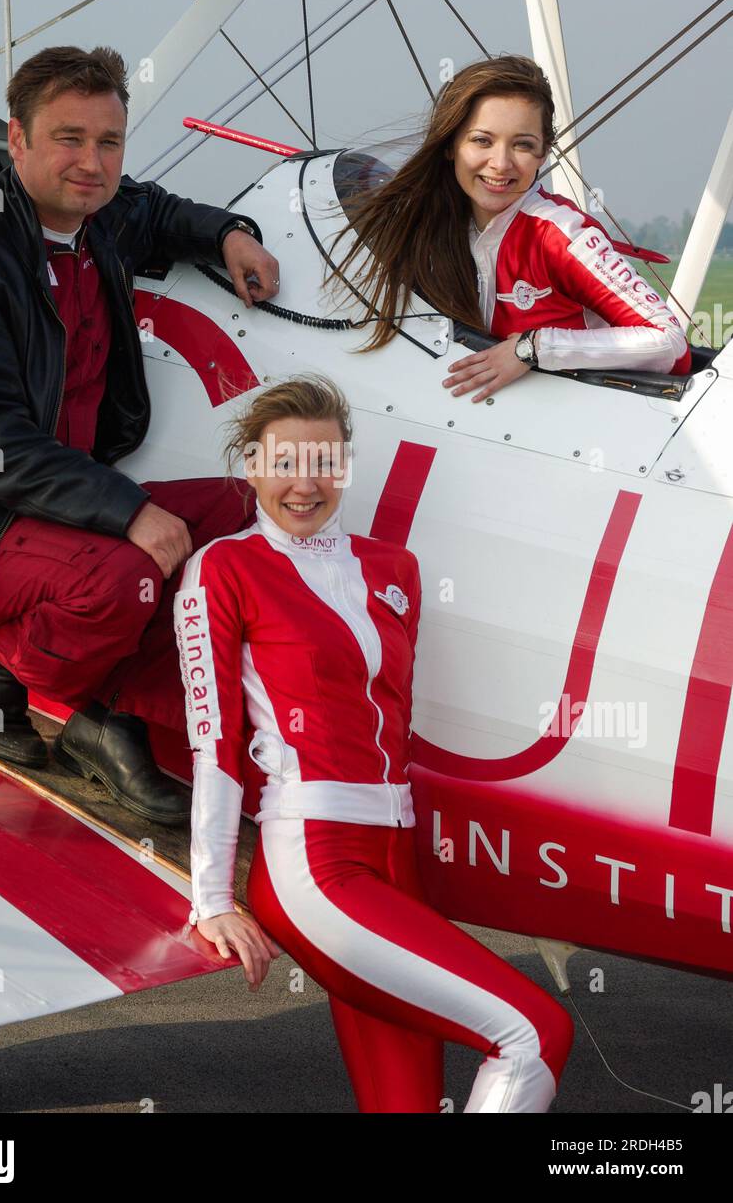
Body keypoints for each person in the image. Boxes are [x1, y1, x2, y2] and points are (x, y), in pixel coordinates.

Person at [0, 44, 279, 823]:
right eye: (68, 139)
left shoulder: (98, 211)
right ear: (16, 141)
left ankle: (104, 714)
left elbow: (154, 211)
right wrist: (127, 510)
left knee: (237, 511)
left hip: (44, 495)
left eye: (108, 141)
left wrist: (228, 234)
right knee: (123, 578)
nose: (91, 163)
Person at [172, 374, 574, 1112]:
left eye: (324, 462)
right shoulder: (223, 568)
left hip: (398, 855)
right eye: (285, 463)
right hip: (314, 863)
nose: (305, 483)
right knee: (532, 1032)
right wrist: (211, 897)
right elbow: (216, 741)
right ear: (252, 468)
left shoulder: (395, 570)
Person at [330, 55, 690, 402]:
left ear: (543, 153)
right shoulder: (431, 223)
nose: (500, 164)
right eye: (482, 141)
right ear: (451, 145)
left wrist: (532, 348)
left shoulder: (560, 234)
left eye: (522, 145)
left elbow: (671, 343)